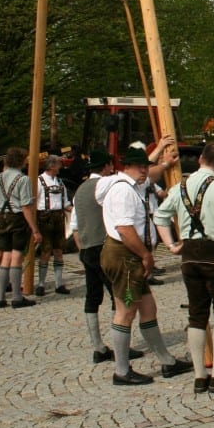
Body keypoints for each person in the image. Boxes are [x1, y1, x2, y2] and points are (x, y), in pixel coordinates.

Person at [154, 142, 214, 394]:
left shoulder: (180, 187)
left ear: (200, 159)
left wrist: (172, 244)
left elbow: (159, 216)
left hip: (190, 255)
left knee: (197, 314)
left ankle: (199, 375)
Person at [99, 146, 192, 386]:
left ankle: (167, 361)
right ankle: (121, 370)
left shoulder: (134, 185)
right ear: (126, 167)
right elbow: (125, 229)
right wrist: (146, 255)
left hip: (130, 256)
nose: (144, 170)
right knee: (126, 310)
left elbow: (151, 175)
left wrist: (165, 161)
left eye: (145, 166)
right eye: (139, 167)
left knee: (148, 308)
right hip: (125, 255)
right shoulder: (122, 191)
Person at [71, 150, 143, 365]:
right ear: (106, 167)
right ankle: (123, 346)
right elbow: (130, 175)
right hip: (103, 248)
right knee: (121, 297)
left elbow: (74, 226)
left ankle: (98, 347)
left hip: (86, 248)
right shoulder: (106, 185)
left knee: (92, 297)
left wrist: (82, 247)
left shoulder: (79, 191)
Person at [0, 147, 41, 309]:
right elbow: (26, 207)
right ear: (20, 160)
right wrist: (34, 229)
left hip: (3, 218)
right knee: (17, 257)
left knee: (5, 257)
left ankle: (0, 297)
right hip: (17, 219)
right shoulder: (23, 179)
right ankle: (16, 297)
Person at [35, 155, 71, 296]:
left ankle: (58, 283)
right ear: (51, 166)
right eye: (58, 164)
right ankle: (41, 284)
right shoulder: (39, 181)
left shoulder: (60, 182)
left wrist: (74, 210)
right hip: (45, 218)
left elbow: (66, 203)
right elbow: (34, 202)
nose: (60, 167)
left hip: (59, 218)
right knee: (45, 251)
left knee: (58, 250)